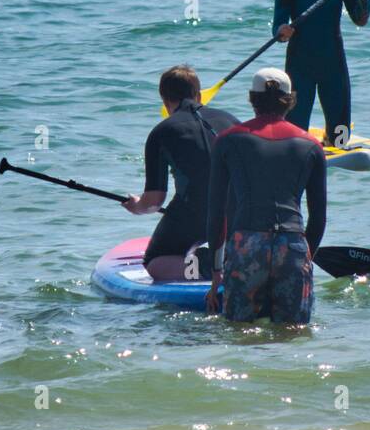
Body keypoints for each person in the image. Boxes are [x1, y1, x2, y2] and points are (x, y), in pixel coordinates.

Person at [205, 68, 326, 324]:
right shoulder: (312, 146)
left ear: (252, 99)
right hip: (293, 245)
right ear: (290, 100)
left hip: (246, 246)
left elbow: (216, 212)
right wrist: (305, 258)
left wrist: (216, 270)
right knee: (293, 336)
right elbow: (319, 218)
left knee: (240, 334)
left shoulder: (227, 140)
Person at [123, 66, 240, 280]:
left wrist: (137, 207)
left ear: (165, 100)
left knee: (155, 260)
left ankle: (205, 268)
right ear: (198, 94)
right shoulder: (231, 120)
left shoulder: (162, 131)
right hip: (240, 213)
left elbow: (154, 202)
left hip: (194, 213)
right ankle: (232, 258)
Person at [272, 0, 370, 147]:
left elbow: (361, 19)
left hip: (333, 64)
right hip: (300, 65)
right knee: (295, 136)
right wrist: (282, 31)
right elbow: (277, 25)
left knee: (340, 137)